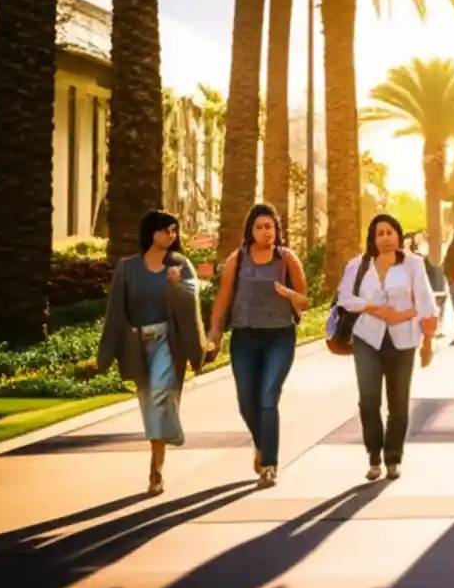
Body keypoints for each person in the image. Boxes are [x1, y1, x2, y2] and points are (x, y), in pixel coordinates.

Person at [94, 210, 208, 495]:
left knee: (159, 396)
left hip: (167, 343)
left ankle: (156, 470)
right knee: (148, 403)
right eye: (165, 230)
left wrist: (177, 285)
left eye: (173, 230)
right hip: (137, 344)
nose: (171, 235)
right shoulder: (128, 268)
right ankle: (165, 439)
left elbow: (191, 306)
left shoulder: (180, 266)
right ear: (150, 233)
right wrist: (105, 354)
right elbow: (116, 312)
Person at [209, 203, 309, 488]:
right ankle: (262, 443)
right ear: (250, 231)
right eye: (260, 227)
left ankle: (269, 464)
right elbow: (223, 299)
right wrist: (213, 334)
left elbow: (305, 300)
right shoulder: (237, 260)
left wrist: (288, 293)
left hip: (279, 337)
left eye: (270, 226)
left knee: (268, 395)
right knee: (245, 402)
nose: (266, 232)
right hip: (245, 337)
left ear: (277, 230)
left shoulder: (287, 258)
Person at [337, 214, 438, 481]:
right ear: (372, 238)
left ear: (398, 235)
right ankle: (373, 456)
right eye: (380, 233)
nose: (385, 238)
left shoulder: (413, 264)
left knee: (399, 402)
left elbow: (425, 301)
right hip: (367, 337)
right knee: (369, 399)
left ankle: (393, 456)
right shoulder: (358, 265)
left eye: (390, 232)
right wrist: (376, 309)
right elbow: (345, 298)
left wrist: (428, 339)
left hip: (403, 340)